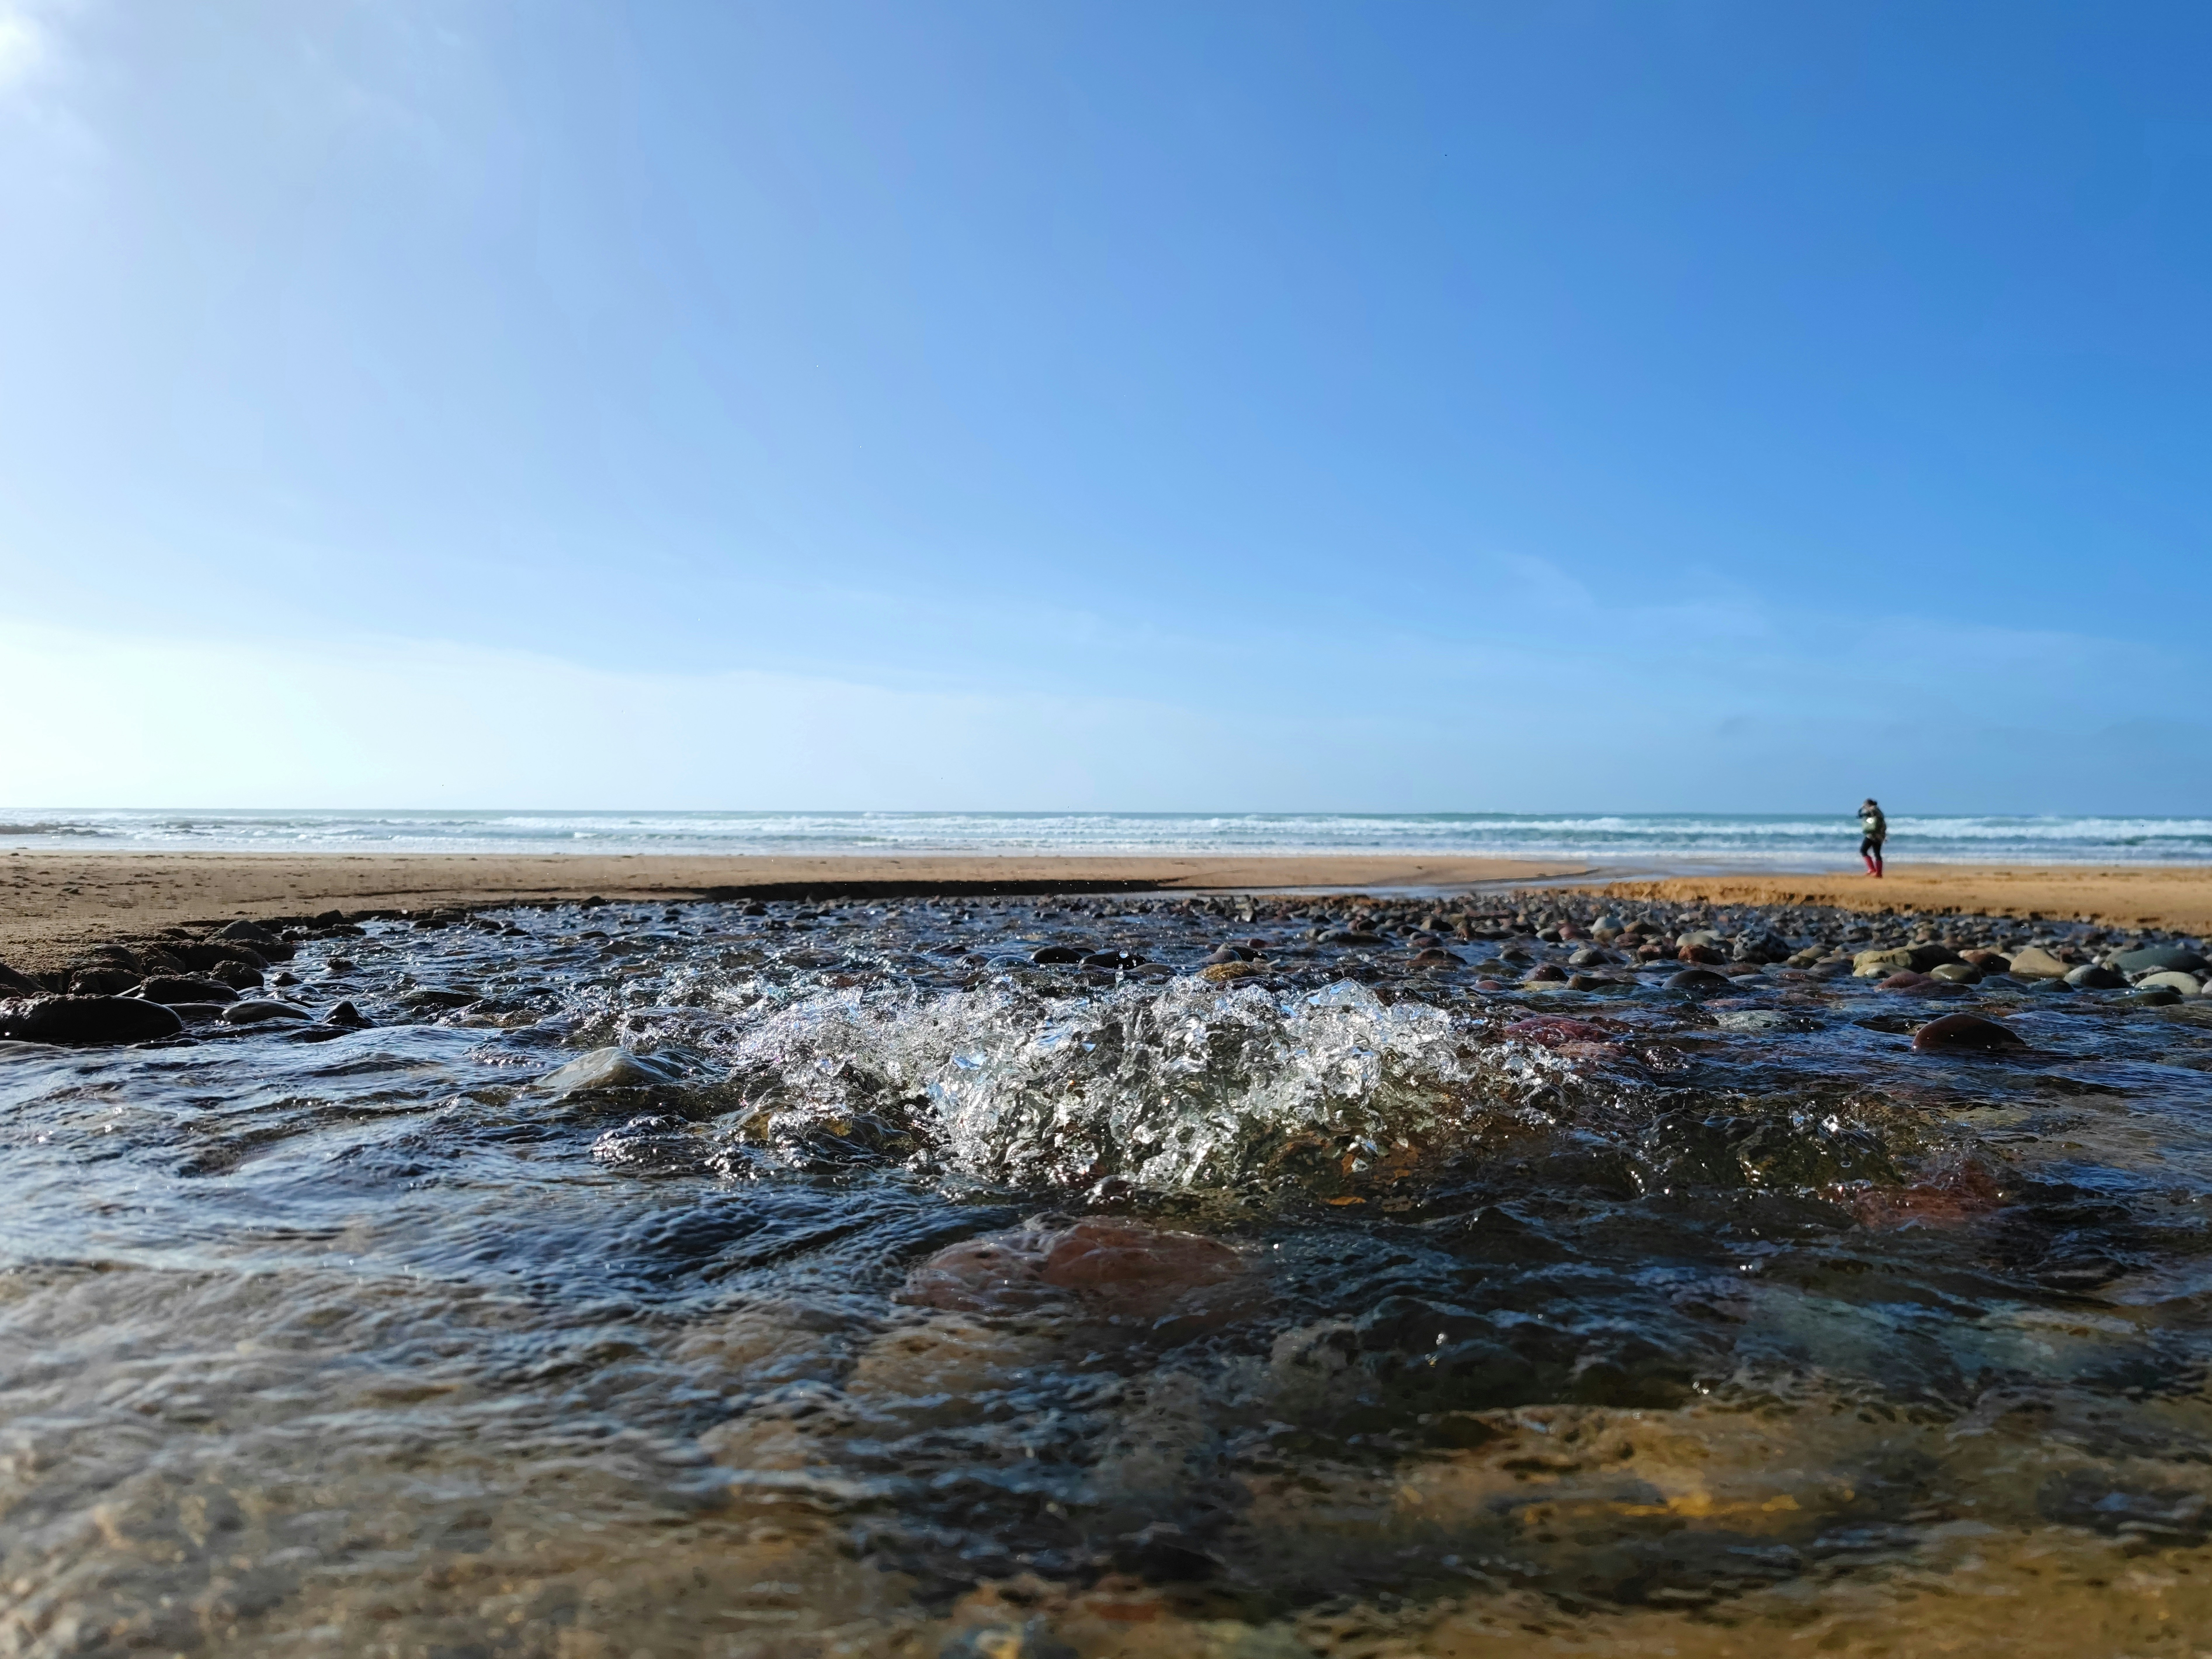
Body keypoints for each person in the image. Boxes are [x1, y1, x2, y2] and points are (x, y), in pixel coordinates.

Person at [1859, 798, 1887, 878]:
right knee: (1877, 854)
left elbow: (1860, 815)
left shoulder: (1873, 810)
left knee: (1863, 850)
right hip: (1880, 836)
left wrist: (1861, 808)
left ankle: (1872, 869)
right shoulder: (1879, 812)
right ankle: (1879, 874)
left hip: (1872, 835)